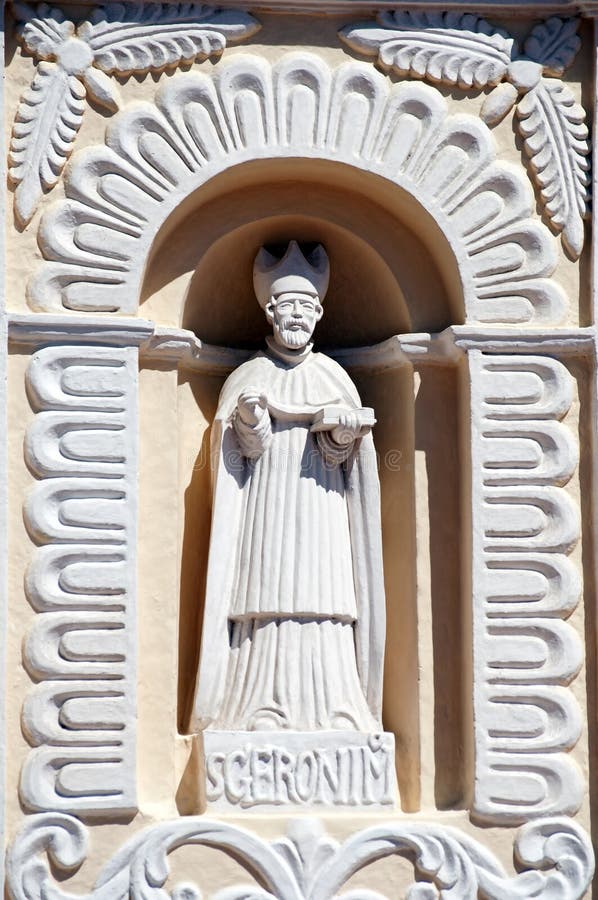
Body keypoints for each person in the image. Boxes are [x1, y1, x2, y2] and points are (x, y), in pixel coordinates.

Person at [190, 241, 386, 733]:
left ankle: (337, 707)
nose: (297, 317)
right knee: (267, 593)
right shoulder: (250, 375)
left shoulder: (333, 376)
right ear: (270, 312)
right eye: (287, 307)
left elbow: (346, 456)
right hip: (267, 507)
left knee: (328, 598)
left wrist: (343, 433)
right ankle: (259, 708)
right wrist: (251, 420)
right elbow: (238, 451)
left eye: (306, 307)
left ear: (318, 314)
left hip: (322, 507)